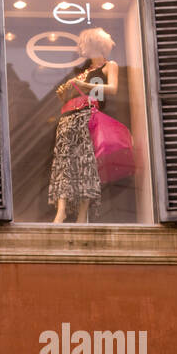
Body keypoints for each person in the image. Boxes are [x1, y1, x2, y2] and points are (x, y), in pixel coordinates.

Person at [49, 27, 118, 224]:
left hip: (87, 117)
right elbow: (68, 97)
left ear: (93, 43)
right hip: (68, 118)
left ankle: (81, 216)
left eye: (82, 42)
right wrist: (65, 92)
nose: (79, 46)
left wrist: (83, 86)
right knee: (64, 163)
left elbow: (112, 89)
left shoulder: (109, 65)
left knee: (85, 164)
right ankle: (61, 211)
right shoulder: (83, 71)